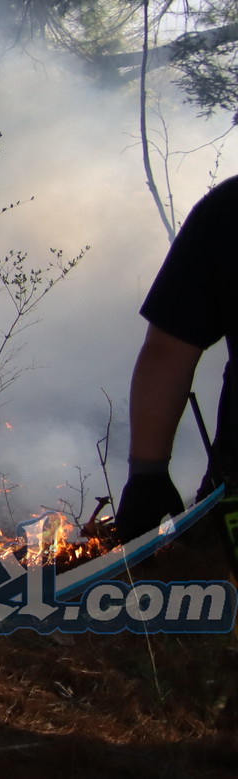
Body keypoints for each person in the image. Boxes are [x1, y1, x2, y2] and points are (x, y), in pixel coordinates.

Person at [117, 176, 238, 539]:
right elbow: (168, 349)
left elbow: (168, 350)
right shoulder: (228, 210)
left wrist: (147, 476)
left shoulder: (229, 208)